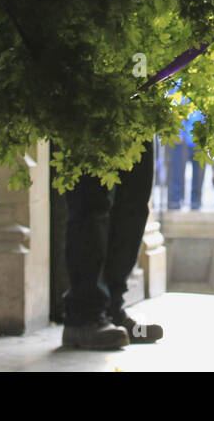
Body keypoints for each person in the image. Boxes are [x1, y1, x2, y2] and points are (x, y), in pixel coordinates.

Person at [61, 141, 164, 350]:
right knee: (91, 201)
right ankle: (83, 316)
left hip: (141, 112)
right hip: (89, 115)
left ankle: (113, 308)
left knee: (134, 199)